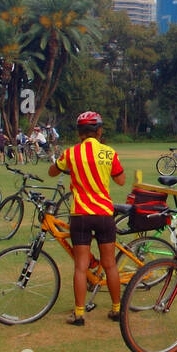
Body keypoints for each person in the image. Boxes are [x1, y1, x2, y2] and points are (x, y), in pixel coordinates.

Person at [49, 111, 125, 326]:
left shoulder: (72, 153)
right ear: (99, 131)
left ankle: (80, 313)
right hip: (103, 214)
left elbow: (53, 172)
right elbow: (120, 180)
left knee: (81, 266)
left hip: (80, 214)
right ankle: (117, 309)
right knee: (110, 265)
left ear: (79, 132)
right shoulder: (109, 153)